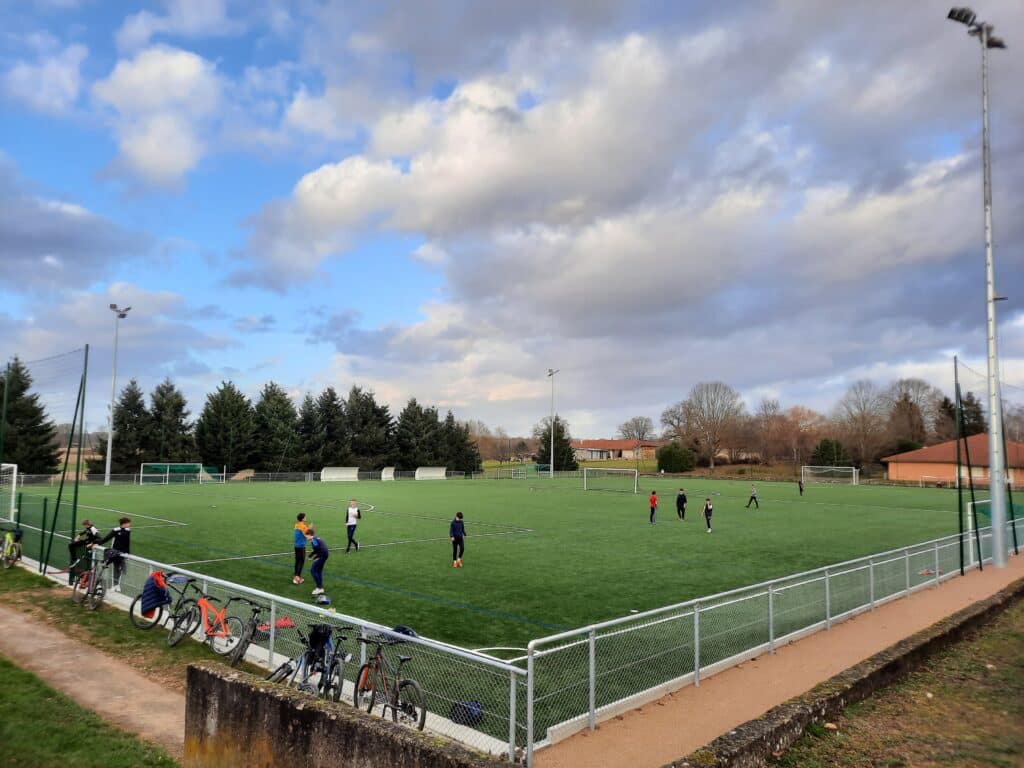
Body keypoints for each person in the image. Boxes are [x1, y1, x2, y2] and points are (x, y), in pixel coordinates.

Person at [99, 517, 131, 590]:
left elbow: (127, 542)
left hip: (122, 553)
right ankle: (102, 583)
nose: (129, 524)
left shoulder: (128, 531)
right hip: (114, 552)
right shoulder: (116, 530)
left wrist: (127, 553)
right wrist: (98, 544)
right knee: (106, 565)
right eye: (128, 523)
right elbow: (107, 538)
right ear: (124, 523)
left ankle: (116, 585)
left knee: (118, 568)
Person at [68, 519, 101, 584]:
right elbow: (84, 532)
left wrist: (92, 543)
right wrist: (78, 536)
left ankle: (86, 579)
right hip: (86, 542)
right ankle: (75, 559)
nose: (84, 527)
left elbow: (99, 538)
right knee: (71, 545)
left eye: (84, 525)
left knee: (87, 561)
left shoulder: (93, 529)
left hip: (88, 544)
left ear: (87, 525)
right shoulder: (88, 528)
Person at [305, 527, 329, 596]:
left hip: (322, 555)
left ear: (309, 535)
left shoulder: (313, 540)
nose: (306, 538)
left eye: (306, 536)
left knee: (313, 570)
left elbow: (317, 550)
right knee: (318, 571)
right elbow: (318, 549)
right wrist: (311, 556)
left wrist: (314, 557)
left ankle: (319, 588)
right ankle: (320, 587)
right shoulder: (316, 538)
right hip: (325, 554)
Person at [293, 513, 309, 585]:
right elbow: (307, 536)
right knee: (301, 562)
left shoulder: (296, 525)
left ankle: (296, 575)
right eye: (305, 517)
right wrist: (310, 528)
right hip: (301, 546)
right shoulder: (303, 526)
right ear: (302, 518)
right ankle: (297, 577)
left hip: (296, 546)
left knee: (297, 561)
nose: (306, 518)